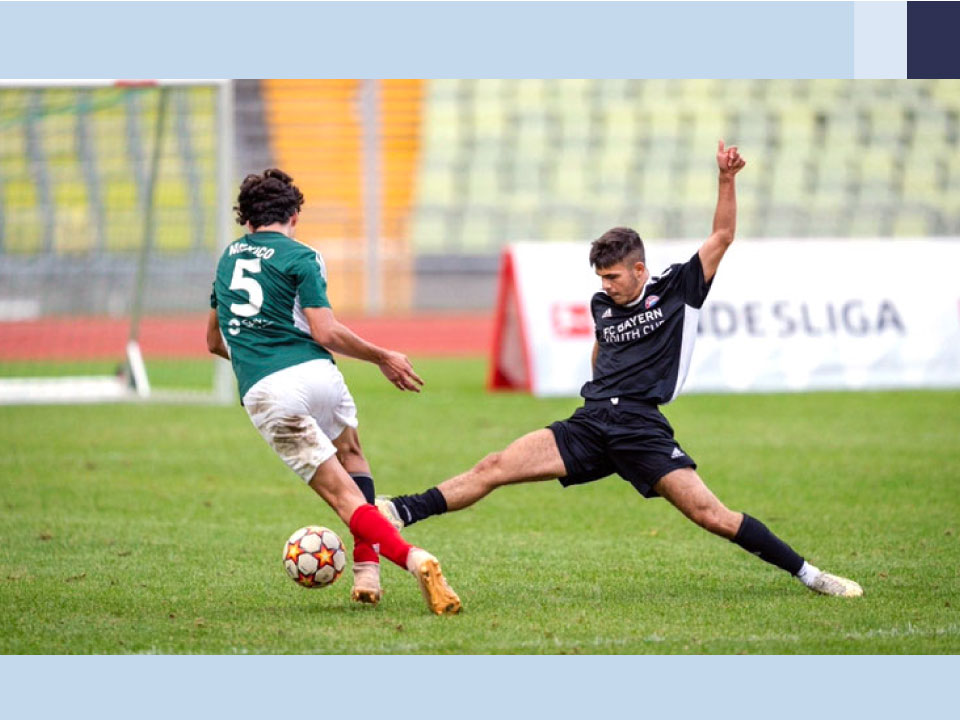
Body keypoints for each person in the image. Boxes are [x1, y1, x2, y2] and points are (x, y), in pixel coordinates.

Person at [380, 142, 863, 598]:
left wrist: (725, 179)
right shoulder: (600, 305)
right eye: (601, 277)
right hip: (591, 422)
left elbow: (722, 236)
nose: (606, 285)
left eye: (613, 276)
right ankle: (401, 511)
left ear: (638, 269)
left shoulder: (679, 288)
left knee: (710, 514)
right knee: (495, 466)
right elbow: (600, 348)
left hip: (639, 426)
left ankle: (811, 575)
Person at [206, 168, 460, 614]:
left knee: (342, 497)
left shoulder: (228, 259)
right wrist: (382, 355)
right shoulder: (303, 256)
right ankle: (366, 571)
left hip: (270, 388)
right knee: (353, 455)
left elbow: (214, 342)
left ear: (246, 221)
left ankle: (412, 557)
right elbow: (324, 332)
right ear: (295, 216)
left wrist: (256, 356)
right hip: (319, 375)